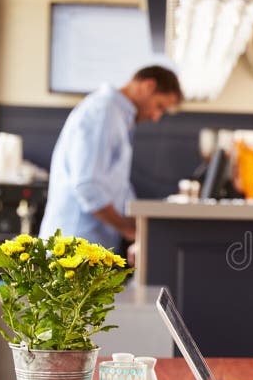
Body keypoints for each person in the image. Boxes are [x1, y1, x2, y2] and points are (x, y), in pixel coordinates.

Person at [39, 65, 183, 252]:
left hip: (87, 251)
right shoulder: (104, 111)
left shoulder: (117, 116)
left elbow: (117, 186)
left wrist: (140, 224)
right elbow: (88, 186)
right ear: (148, 86)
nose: (156, 117)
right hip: (72, 251)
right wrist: (128, 229)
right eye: (159, 107)